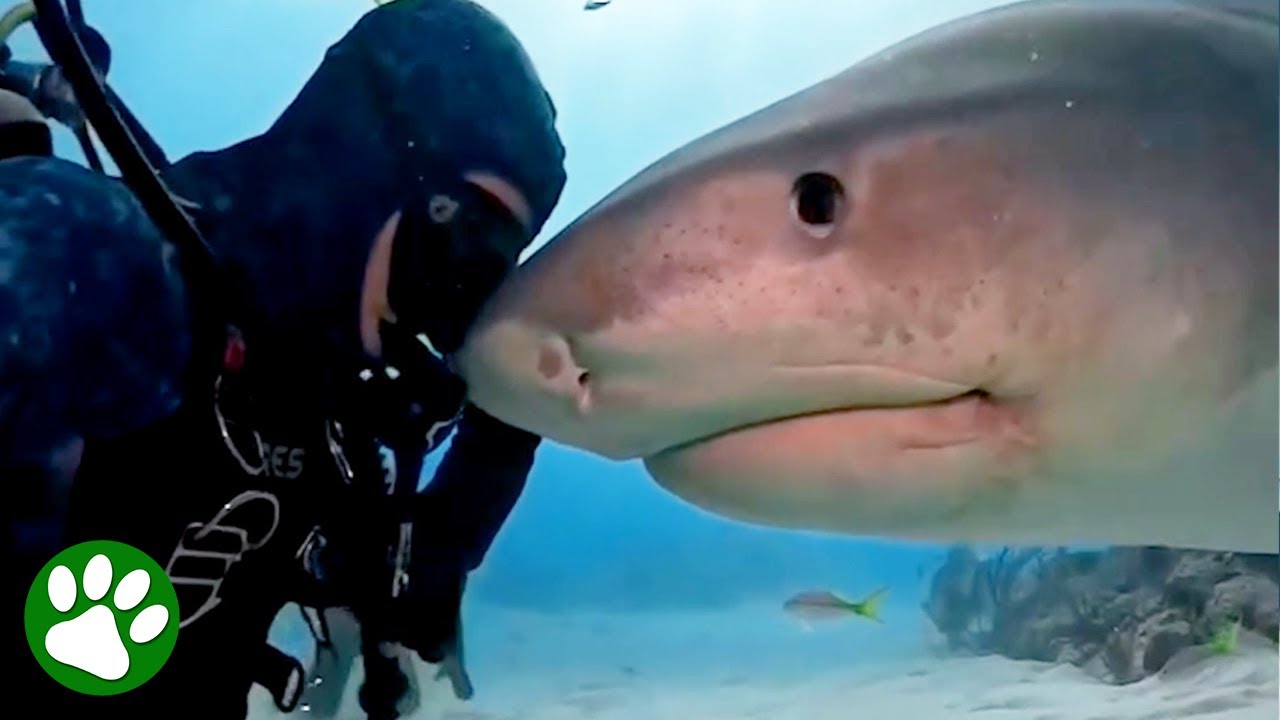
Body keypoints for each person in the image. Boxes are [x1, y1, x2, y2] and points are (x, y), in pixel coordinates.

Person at [2, 0, 566, 718]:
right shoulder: (102, 265)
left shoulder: (330, 423)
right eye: (458, 250)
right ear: (360, 163)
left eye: (485, 288)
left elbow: (404, 577)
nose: (444, 314)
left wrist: (520, 408)